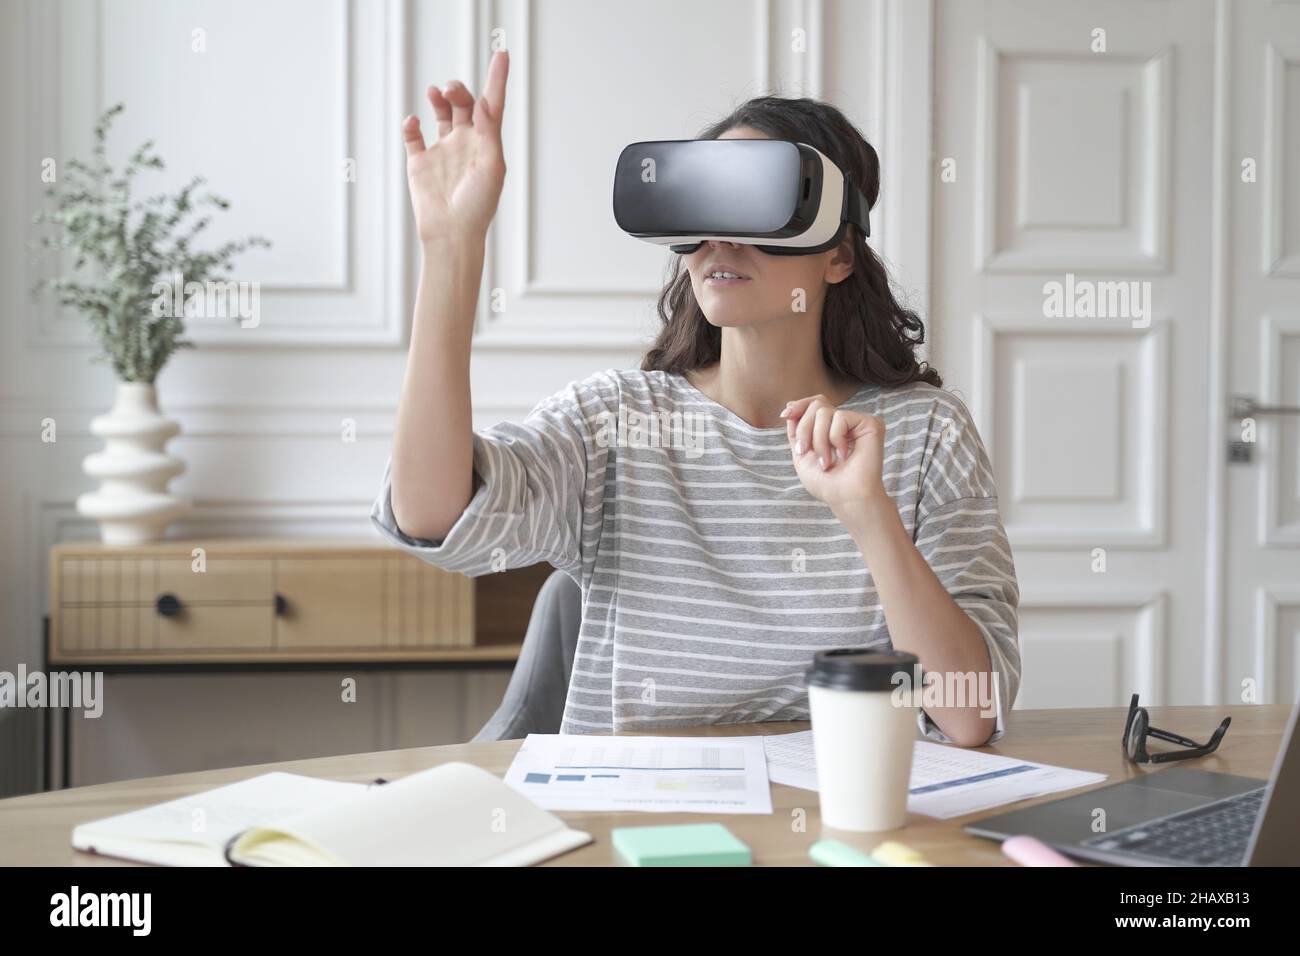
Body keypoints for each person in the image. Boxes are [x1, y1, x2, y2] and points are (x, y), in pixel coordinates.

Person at [372, 49, 1020, 747]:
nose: (719, 238)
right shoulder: (616, 423)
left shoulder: (926, 434)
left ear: (837, 255)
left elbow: (968, 712)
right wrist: (452, 250)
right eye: (699, 204)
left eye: (753, 202)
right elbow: (433, 514)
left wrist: (869, 515)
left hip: (854, 824)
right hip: (647, 827)